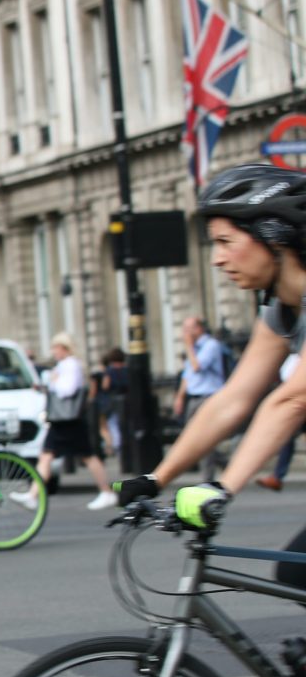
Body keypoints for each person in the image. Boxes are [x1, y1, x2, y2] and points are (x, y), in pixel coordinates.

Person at [120, 164, 306, 581]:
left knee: (297, 576)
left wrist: (221, 489)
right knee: (295, 575)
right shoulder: (281, 310)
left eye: (225, 242)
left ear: (274, 237)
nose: (218, 259)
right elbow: (233, 398)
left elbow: (293, 399)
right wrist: (156, 478)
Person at [15, 333, 118, 511]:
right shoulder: (65, 365)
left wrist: (53, 382)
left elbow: (67, 390)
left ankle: (107, 492)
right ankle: (33, 494)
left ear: (64, 348)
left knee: (87, 456)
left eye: (55, 347)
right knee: (48, 456)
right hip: (62, 420)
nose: (53, 351)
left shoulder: (72, 365)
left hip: (69, 420)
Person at [172, 315, 230, 481]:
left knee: (203, 437)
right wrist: (180, 397)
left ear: (199, 328)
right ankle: (224, 461)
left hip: (208, 397)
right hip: (194, 397)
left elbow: (197, 367)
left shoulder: (210, 345)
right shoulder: (195, 348)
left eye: (189, 328)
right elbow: (188, 375)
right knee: (191, 438)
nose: (186, 333)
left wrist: (189, 347)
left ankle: (207, 479)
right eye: (184, 329)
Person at [257, 353, 301, 491]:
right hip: (293, 399)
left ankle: (277, 477)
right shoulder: (292, 352)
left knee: (287, 437)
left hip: (299, 397)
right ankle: (277, 477)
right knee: (286, 437)